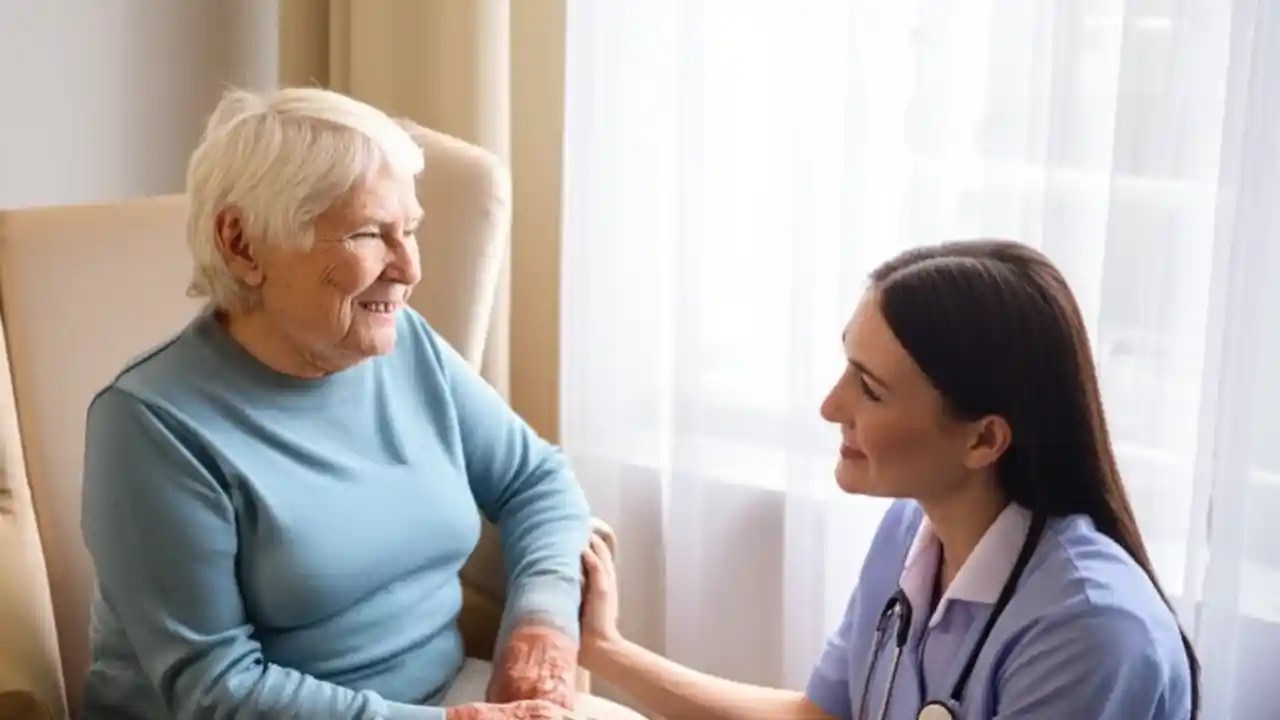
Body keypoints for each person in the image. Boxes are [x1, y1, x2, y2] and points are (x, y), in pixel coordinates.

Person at [80, 87, 590, 720]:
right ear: (242, 244)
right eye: (370, 234)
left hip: (444, 703)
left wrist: (540, 626)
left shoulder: (408, 347)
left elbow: (536, 480)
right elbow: (215, 692)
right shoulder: (149, 425)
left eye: (411, 231)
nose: (409, 268)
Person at [578, 240, 1198, 720]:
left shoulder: (1090, 632)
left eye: (870, 389)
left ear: (983, 439)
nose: (830, 406)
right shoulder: (914, 528)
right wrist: (603, 648)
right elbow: (823, 715)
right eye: (848, 366)